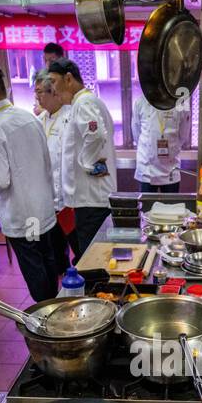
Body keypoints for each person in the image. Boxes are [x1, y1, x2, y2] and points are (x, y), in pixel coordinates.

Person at [0, 61, 67, 302]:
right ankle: (53, 310)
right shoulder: (29, 118)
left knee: (35, 271)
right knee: (47, 264)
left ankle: (46, 320)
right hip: (42, 211)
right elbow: (46, 162)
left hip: (22, 218)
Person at [48, 58, 115, 257]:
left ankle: (97, 288)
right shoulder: (79, 103)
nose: (53, 89)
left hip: (90, 200)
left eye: (54, 81)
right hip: (86, 199)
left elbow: (95, 135)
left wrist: (85, 164)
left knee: (92, 259)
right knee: (91, 255)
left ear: (68, 78)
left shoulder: (84, 102)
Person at [34, 68, 79, 260]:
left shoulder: (70, 116)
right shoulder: (38, 121)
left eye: (39, 92)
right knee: (55, 254)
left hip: (69, 201)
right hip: (47, 200)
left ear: (53, 92)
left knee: (79, 249)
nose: (36, 98)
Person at [132, 93, 189, 193]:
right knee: (146, 208)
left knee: (171, 208)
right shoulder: (140, 102)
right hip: (146, 170)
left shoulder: (181, 104)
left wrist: (172, 149)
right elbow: (136, 133)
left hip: (171, 170)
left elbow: (183, 135)